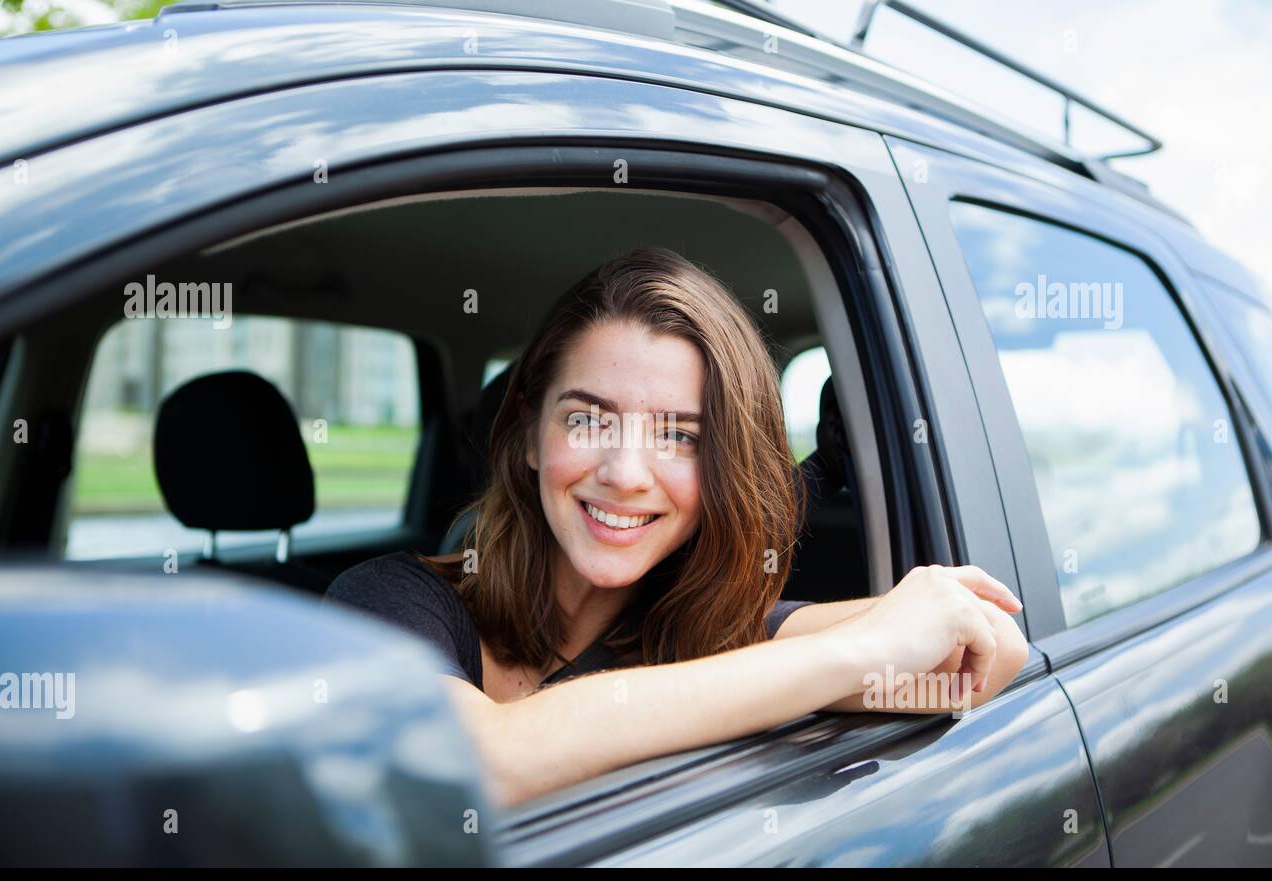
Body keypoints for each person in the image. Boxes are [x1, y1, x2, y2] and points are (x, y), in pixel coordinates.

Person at [327, 246, 1027, 807]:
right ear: (531, 436)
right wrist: (858, 650)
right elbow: (474, 762)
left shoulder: (711, 633)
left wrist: (901, 628)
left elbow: (987, 651)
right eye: (587, 418)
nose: (627, 471)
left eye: (681, 436)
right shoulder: (386, 600)